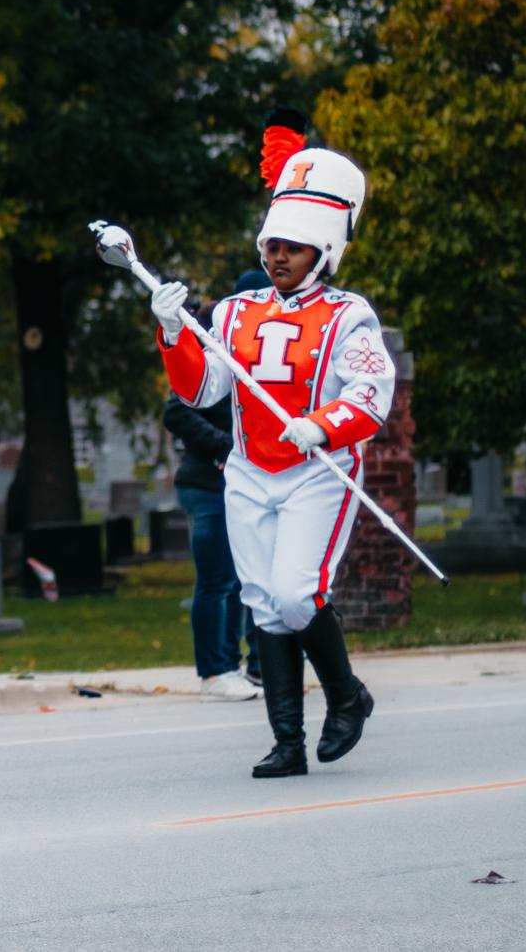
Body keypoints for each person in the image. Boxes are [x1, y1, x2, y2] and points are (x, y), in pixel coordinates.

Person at [151, 118, 393, 778]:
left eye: (292, 246)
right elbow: (202, 389)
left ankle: (346, 695)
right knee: (261, 601)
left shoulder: (348, 314)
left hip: (317, 470)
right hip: (247, 471)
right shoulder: (232, 313)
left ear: (323, 252)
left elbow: (372, 392)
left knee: (293, 594)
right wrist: (174, 332)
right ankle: (287, 741)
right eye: (271, 244)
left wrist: (322, 423)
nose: (276, 256)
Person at [162, 271, 270, 703]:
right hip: (208, 481)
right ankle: (215, 670)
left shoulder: (266, 348)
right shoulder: (215, 342)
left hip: (248, 480)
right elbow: (178, 410)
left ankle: (255, 666)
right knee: (217, 579)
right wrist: (228, 447)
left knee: (249, 580)